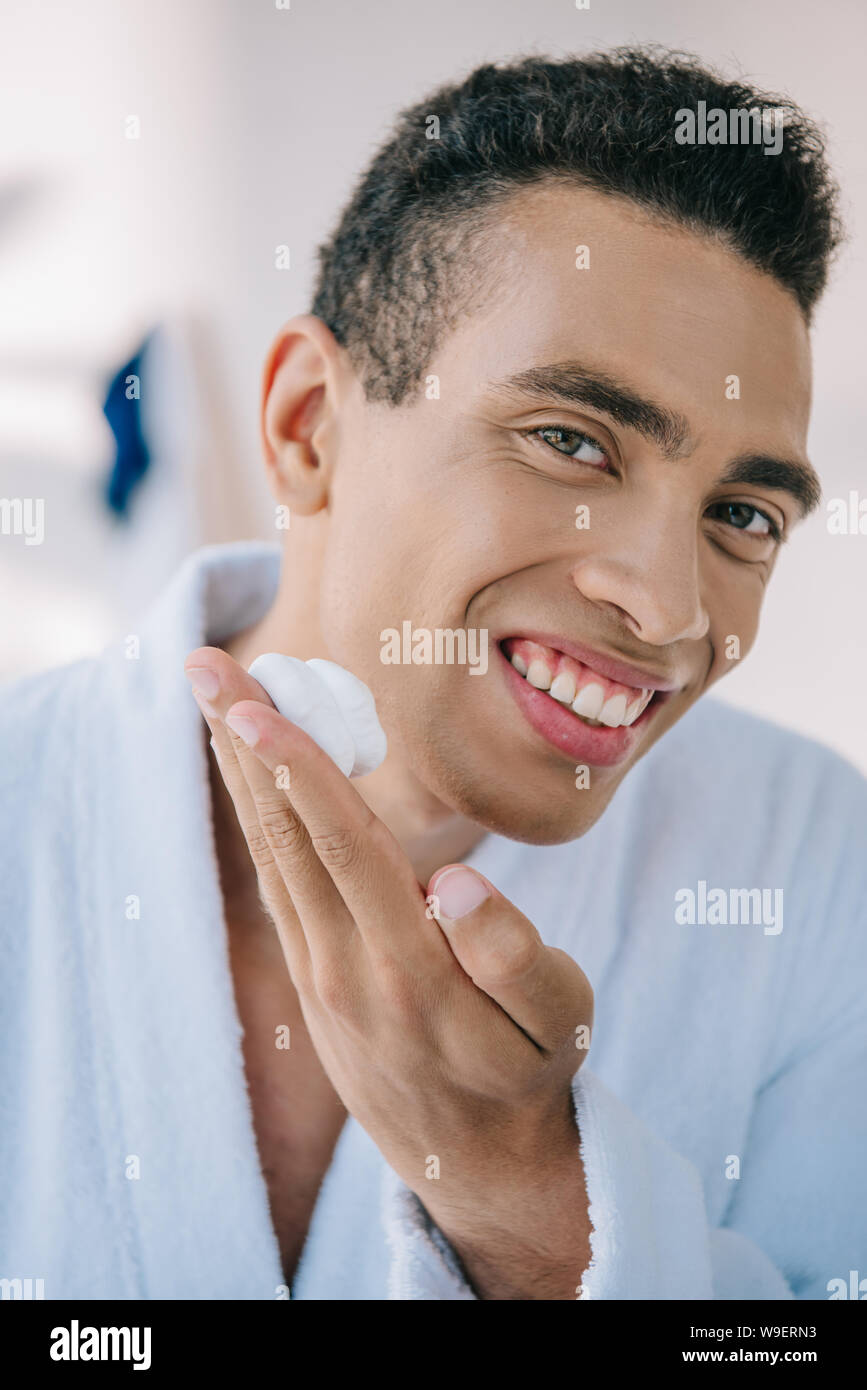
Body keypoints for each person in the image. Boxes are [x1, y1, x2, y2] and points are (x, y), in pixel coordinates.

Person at [2, 46, 865, 1302]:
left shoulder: (820, 872)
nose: (670, 607)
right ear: (309, 424)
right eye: (572, 440)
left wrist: (522, 1199)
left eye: (742, 515)